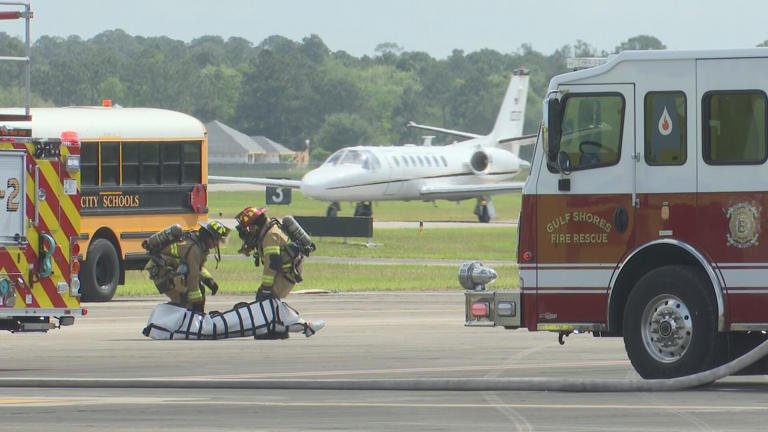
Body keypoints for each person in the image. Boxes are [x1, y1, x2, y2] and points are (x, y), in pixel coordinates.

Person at [144, 220, 230, 313]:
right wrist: (197, 303)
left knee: (197, 293)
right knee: (184, 301)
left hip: (173, 271)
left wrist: (209, 280)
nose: (217, 244)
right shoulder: (194, 249)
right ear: (209, 237)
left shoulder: (202, 247)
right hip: (161, 273)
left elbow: (199, 267)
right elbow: (193, 275)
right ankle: (177, 323)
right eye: (216, 240)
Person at [235, 207, 301, 301]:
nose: (250, 230)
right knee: (266, 300)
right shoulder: (267, 230)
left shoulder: (270, 237)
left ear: (256, 226)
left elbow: (272, 265)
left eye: (250, 227)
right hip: (284, 271)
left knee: (266, 300)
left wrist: (266, 288)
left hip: (287, 274)